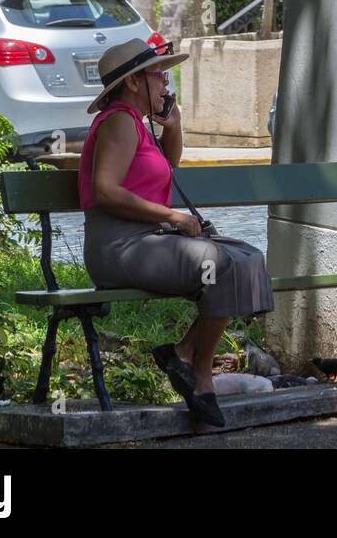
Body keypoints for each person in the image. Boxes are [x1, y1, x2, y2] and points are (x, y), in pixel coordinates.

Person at [78, 38, 273, 427]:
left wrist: (175, 123)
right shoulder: (117, 121)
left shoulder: (136, 123)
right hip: (119, 246)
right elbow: (106, 190)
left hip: (148, 240)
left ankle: (182, 353)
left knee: (249, 259)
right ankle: (201, 377)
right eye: (160, 76)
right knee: (216, 264)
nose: (167, 84)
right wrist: (175, 216)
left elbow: (166, 164)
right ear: (134, 82)